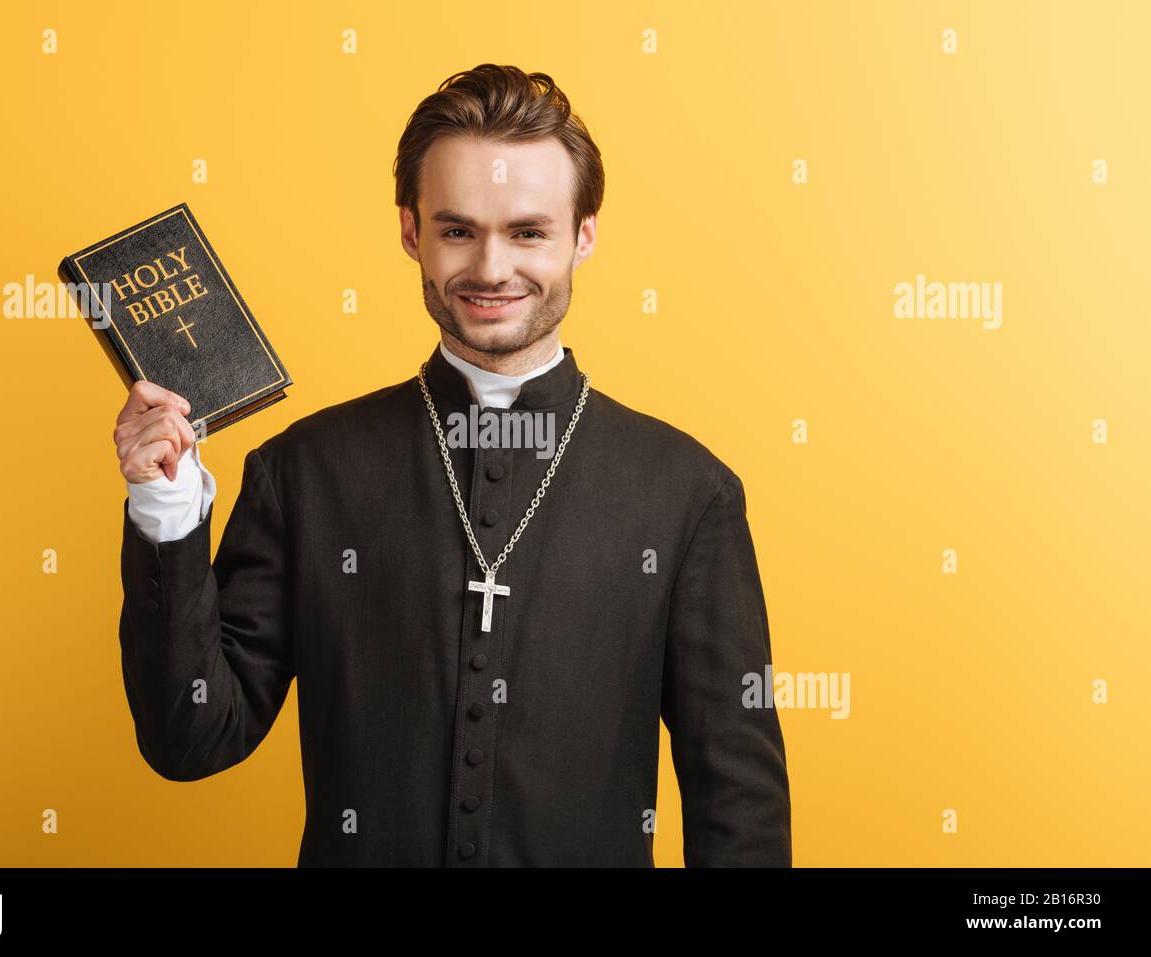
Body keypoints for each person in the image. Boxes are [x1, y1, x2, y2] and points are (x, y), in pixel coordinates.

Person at [111, 63, 791, 867]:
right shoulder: (303, 471)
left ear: (584, 236)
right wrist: (167, 507)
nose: (492, 269)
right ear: (412, 232)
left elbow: (737, 805)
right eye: (458, 229)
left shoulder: (687, 492)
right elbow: (193, 736)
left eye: (529, 231)